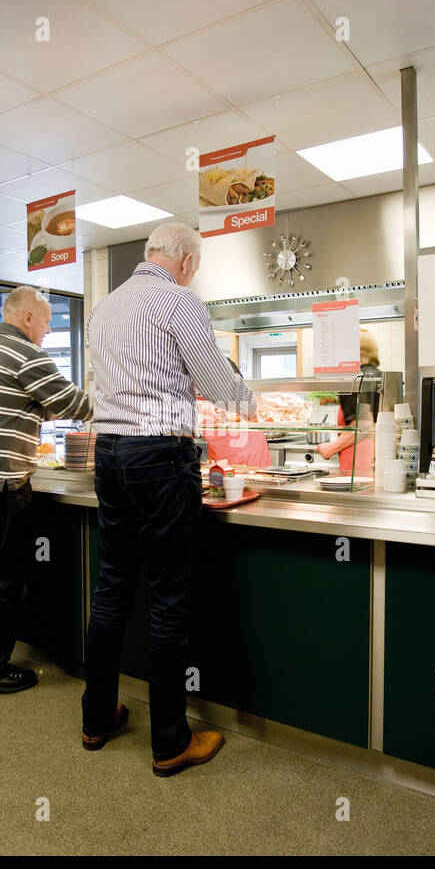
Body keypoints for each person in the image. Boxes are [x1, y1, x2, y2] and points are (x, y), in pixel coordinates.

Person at [83, 222, 258, 776]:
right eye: (196, 267)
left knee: (111, 591)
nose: (193, 275)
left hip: (108, 452)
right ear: (183, 260)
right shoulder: (179, 300)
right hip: (159, 456)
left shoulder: (104, 307)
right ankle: (169, 743)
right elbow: (216, 381)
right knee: (168, 599)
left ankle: (96, 717)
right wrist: (251, 398)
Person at [0, 286, 92, 696]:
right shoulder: (28, 354)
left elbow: (40, 403)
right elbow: (75, 403)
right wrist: (134, 405)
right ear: (28, 318)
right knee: (6, 579)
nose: (48, 330)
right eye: (46, 321)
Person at [317, 329, 381, 474]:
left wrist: (331, 448)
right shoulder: (378, 376)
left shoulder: (355, 379)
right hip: (378, 456)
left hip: (357, 457)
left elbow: (362, 424)